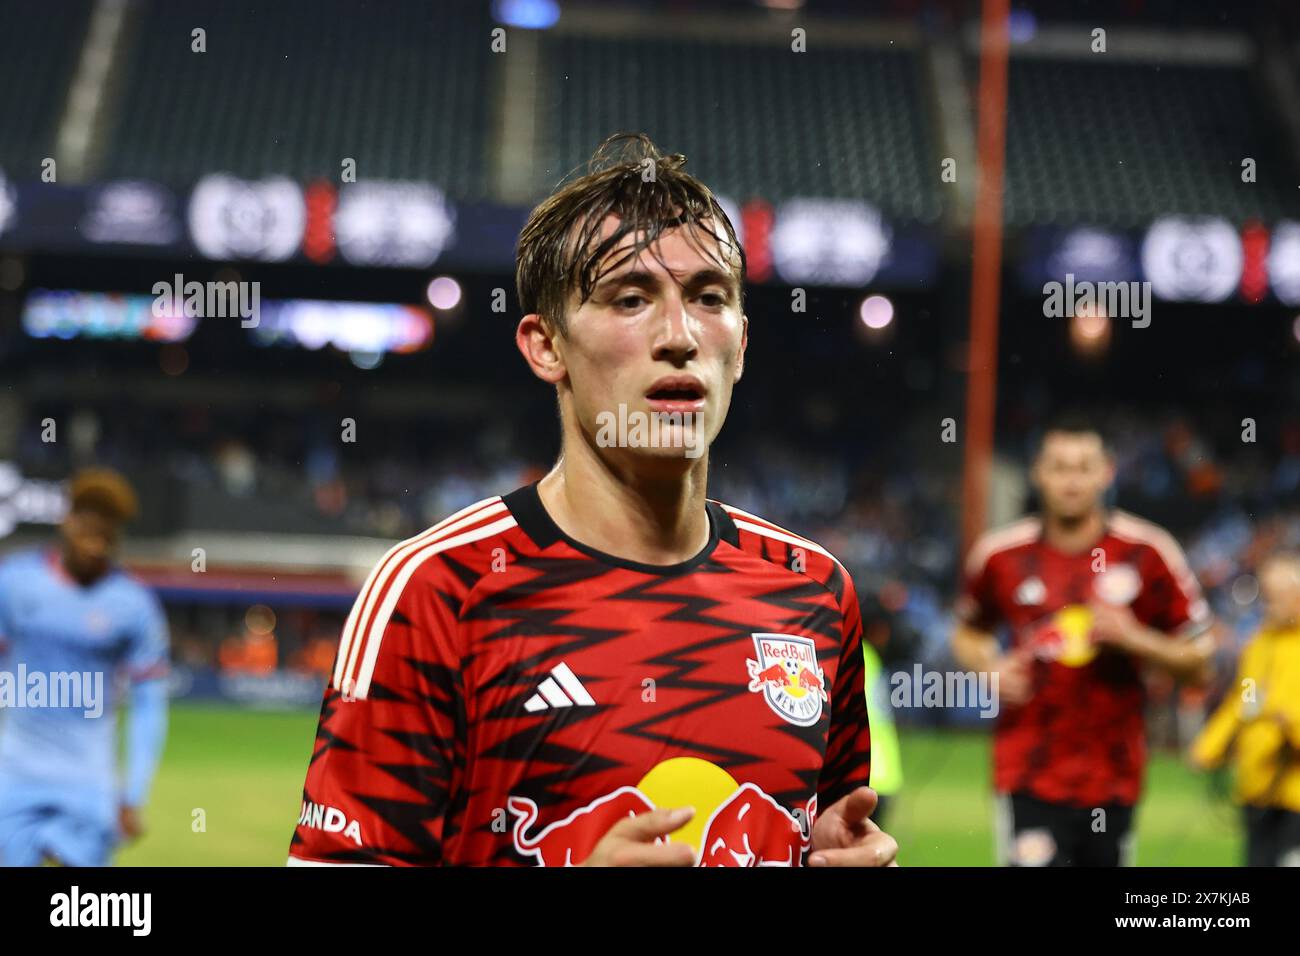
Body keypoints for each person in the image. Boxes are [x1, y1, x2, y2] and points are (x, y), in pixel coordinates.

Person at [288, 133, 896, 867]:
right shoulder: (437, 592)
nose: (679, 335)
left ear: (739, 344)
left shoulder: (814, 591)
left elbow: (826, 829)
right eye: (630, 298)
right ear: (546, 346)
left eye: (709, 298)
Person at [951, 413, 1213, 866]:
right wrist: (988, 667)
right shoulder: (1000, 555)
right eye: (1059, 467)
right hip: (1027, 771)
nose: (1071, 481)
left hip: (1113, 775)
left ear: (1106, 472)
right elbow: (968, 631)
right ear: (1038, 473)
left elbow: (1200, 660)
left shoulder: (1148, 552)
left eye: (1083, 467)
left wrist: (1135, 638)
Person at [0, 468, 169, 866]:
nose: (98, 539)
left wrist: (133, 793)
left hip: (89, 787)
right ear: (68, 519)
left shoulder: (134, 605)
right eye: (89, 523)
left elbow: (149, 704)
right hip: (14, 779)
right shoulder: (14, 582)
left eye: (108, 529)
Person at [1191, 552, 1300, 866]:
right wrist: (1210, 746)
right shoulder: (1257, 645)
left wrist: (1290, 723)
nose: (1268, 605)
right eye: (1265, 596)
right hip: (1257, 786)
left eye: (1276, 597)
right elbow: (1245, 703)